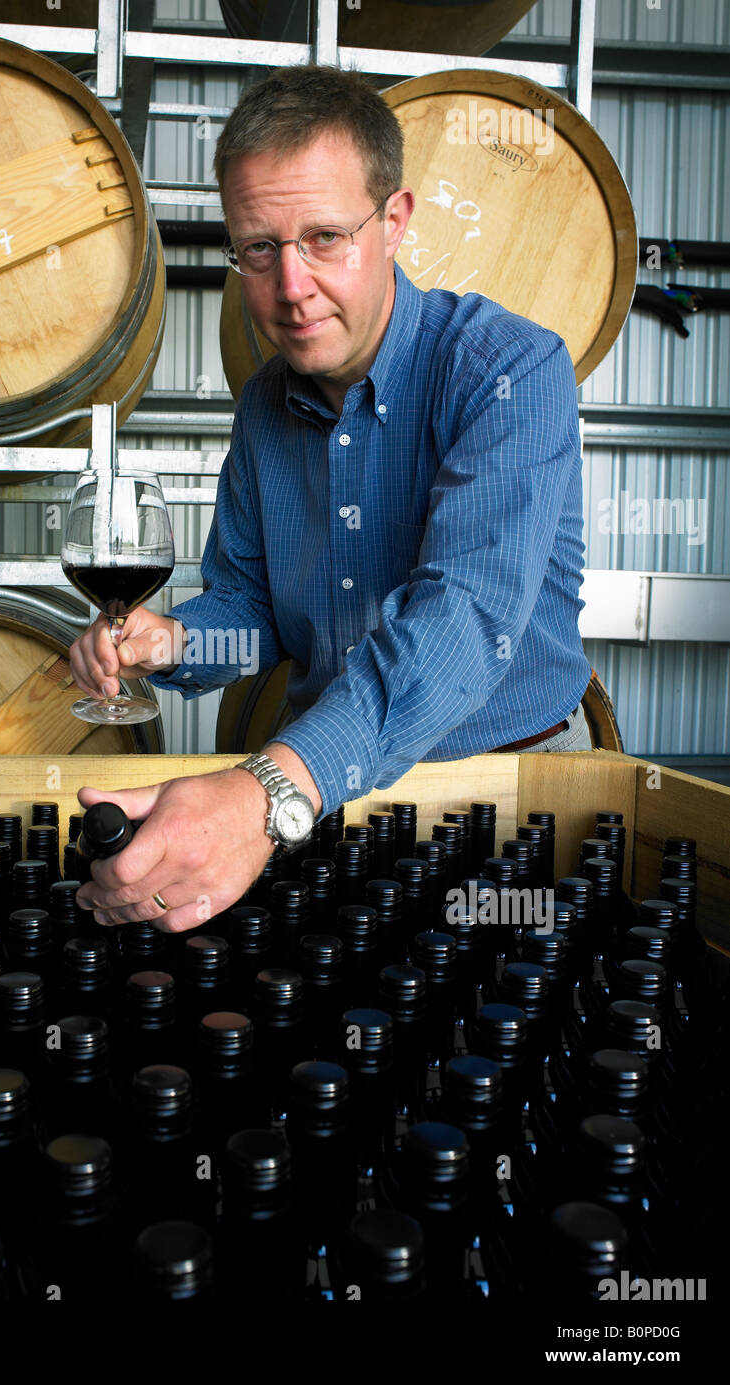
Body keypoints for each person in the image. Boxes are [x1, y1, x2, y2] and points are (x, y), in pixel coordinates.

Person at [68, 64, 593, 935]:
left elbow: (460, 619)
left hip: (512, 798)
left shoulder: (507, 371)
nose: (290, 284)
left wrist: (268, 789)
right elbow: (256, 612)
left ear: (394, 222)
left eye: (322, 238)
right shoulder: (263, 408)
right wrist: (174, 641)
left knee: (499, 1037)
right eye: (258, 248)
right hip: (330, 797)